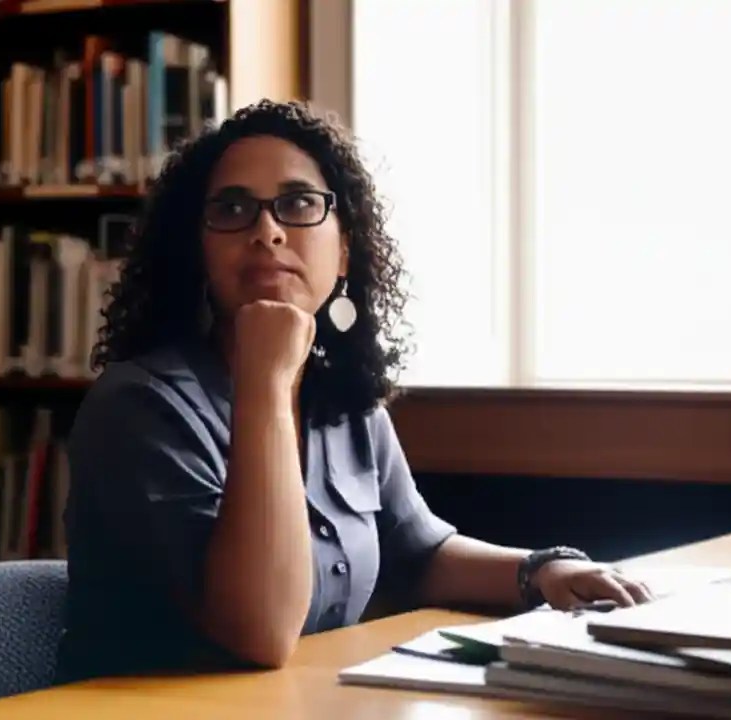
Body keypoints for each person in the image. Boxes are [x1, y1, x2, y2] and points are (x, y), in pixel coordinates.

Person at [56, 100, 652, 683]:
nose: (267, 231)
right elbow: (258, 631)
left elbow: (418, 552)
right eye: (233, 209)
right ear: (198, 251)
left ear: (342, 250)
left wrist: (545, 571)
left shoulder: (343, 400)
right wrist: (264, 378)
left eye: (297, 204)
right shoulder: (140, 406)